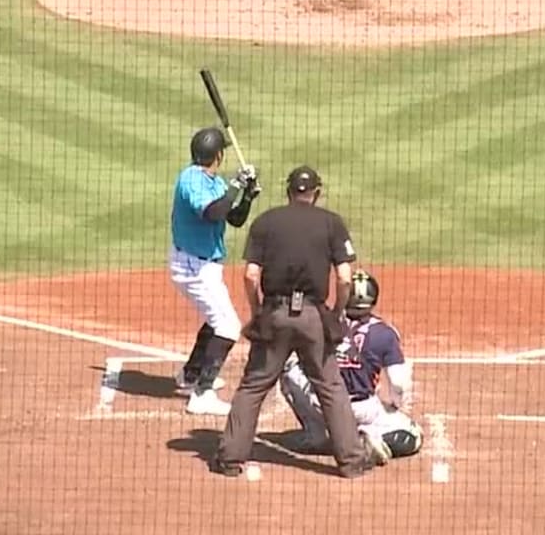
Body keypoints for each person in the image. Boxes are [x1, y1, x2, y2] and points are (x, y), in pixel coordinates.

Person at [210, 166, 375, 479]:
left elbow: (250, 275)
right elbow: (344, 277)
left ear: (288, 191)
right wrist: (338, 311)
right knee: (329, 386)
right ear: (317, 192)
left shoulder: (266, 222)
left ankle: (230, 458)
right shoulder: (331, 222)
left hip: (275, 313)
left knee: (254, 385)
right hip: (314, 316)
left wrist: (258, 311)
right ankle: (352, 461)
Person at [280, 270, 424, 465]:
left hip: (321, 403)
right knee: (412, 434)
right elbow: (398, 383)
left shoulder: (321, 322)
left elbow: (293, 357)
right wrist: (393, 404)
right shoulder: (385, 332)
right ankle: (368, 438)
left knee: (289, 371)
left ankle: (315, 433)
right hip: (362, 410)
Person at [169, 126, 261, 416]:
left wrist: (246, 195)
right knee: (228, 326)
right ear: (218, 154)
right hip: (192, 267)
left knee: (215, 318)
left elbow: (232, 217)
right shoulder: (191, 179)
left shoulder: (214, 181)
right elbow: (211, 213)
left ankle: (191, 375)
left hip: (204, 265)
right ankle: (202, 394)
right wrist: (236, 184)